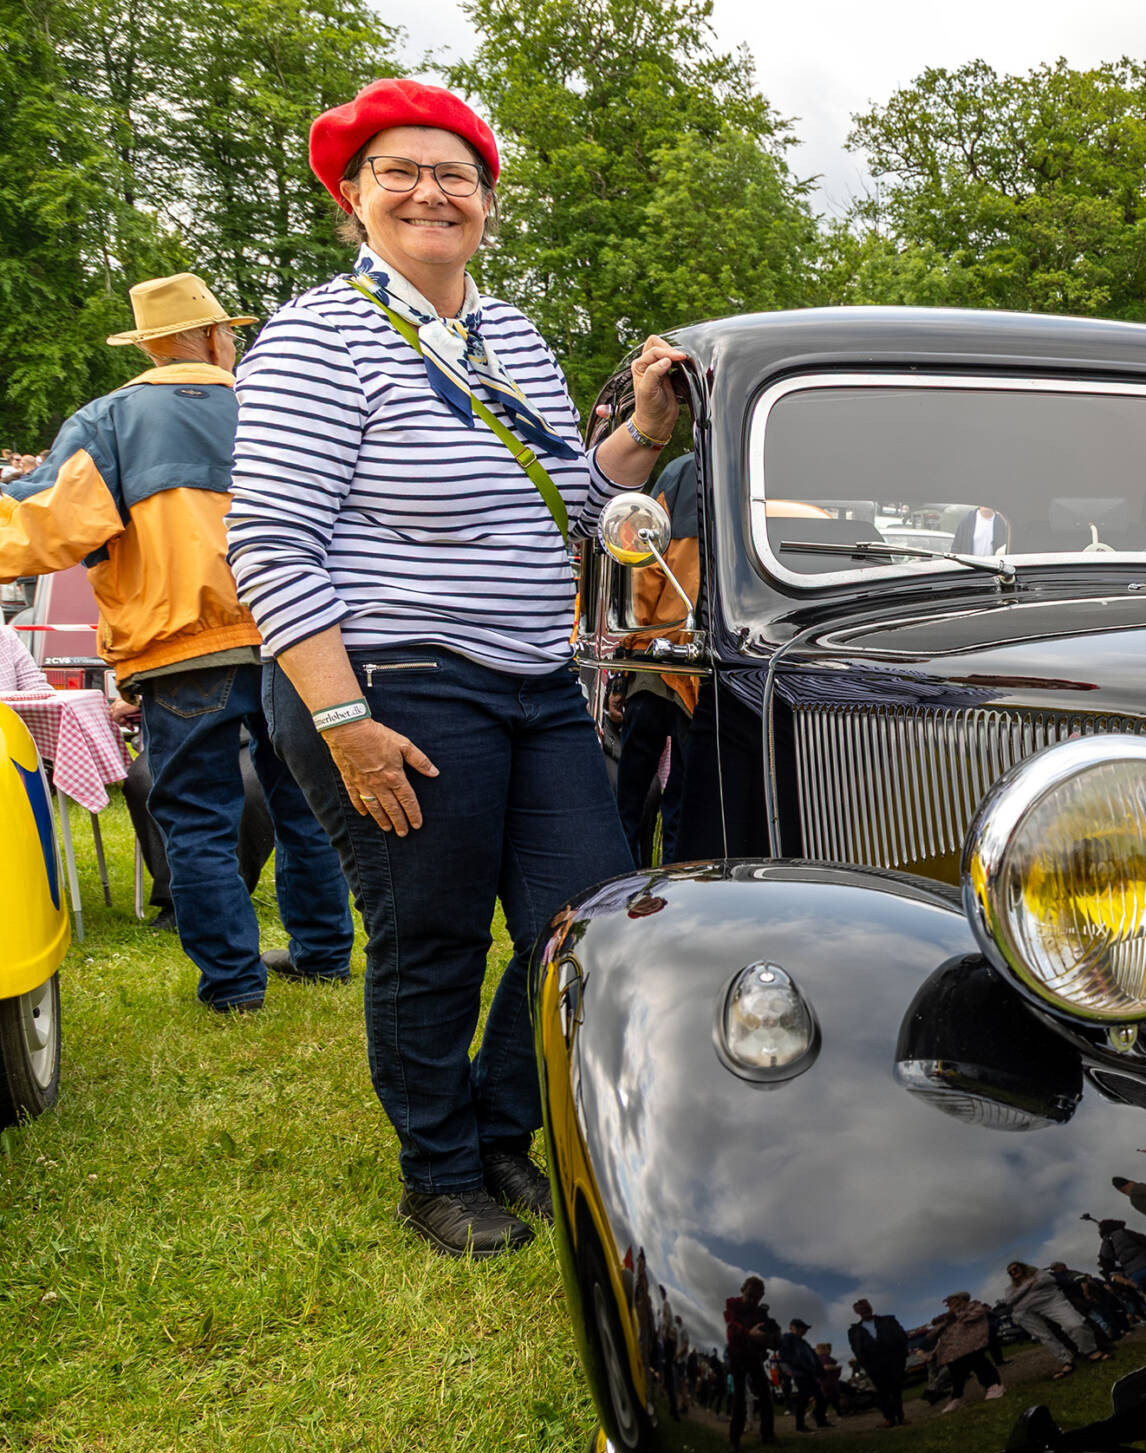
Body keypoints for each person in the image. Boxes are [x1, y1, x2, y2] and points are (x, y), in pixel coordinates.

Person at [228, 78, 685, 1257]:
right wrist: (341, 719)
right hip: (388, 678)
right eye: (400, 173)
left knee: (578, 919)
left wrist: (641, 427)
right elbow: (270, 544)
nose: (431, 192)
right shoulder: (319, 335)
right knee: (428, 932)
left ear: (485, 201)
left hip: (530, 683)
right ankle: (437, 1171)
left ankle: (498, 1131)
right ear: (351, 198)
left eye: (455, 175)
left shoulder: (512, 332)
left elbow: (573, 497)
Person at [0, 274, 352, 1013]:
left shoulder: (111, 419)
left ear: (149, 346)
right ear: (220, 337)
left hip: (179, 648)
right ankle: (324, 954)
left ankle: (233, 984)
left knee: (196, 816)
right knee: (306, 803)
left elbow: (43, 528)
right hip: (296, 635)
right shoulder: (272, 406)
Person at [610, 451, 699, 864]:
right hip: (709, 664)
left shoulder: (682, 472)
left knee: (629, 789)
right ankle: (676, 883)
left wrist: (624, 657)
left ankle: (623, 877)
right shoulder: (765, 469)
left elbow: (646, 571)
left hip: (655, 656)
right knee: (684, 795)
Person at [1003, 1259, 1108, 1376]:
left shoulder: (1038, 1274)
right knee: (1046, 1337)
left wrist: (1020, 1293)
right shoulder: (1010, 1288)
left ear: (1022, 1267)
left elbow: (1047, 1280)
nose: (1013, 1272)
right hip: (1025, 1311)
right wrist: (1029, 1285)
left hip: (1051, 1302)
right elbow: (1009, 1301)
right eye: (1010, 1272)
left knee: (1075, 1324)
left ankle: (1090, 1351)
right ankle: (1066, 1361)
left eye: (1015, 1269)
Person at [923, 1292, 1004, 1413]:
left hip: (972, 1343)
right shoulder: (947, 1316)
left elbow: (975, 1315)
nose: (948, 1305)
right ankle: (956, 1397)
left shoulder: (974, 1306)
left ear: (960, 1299)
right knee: (955, 1372)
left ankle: (994, 1386)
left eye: (950, 1301)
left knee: (979, 1363)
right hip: (952, 1348)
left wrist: (955, 1314)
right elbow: (932, 1333)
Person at [724, 1276, 779, 1450]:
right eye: (750, 1296)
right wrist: (749, 1334)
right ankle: (735, 1440)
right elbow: (732, 1329)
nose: (753, 1300)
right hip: (737, 1356)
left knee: (765, 1395)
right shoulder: (733, 1305)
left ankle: (767, 1435)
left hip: (754, 1356)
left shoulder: (760, 1312)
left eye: (757, 1297)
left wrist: (772, 1337)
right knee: (739, 1397)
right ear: (742, 1290)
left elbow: (770, 1329)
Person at [848, 1298, 909, 1427]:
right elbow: (857, 1350)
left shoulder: (889, 1320)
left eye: (866, 1307)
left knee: (896, 1390)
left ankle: (901, 1417)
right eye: (861, 1309)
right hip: (874, 1366)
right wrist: (866, 1366)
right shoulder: (853, 1331)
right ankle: (888, 1418)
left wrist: (902, 1357)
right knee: (882, 1392)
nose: (865, 1310)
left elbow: (902, 1337)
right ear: (857, 1312)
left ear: (871, 1307)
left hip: (894, 1362)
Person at [777, 1318, 830, 1430]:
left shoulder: (804, 1343)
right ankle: (800, 1425)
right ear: (793, 1327)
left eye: (805, 1329)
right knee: (804, 1399)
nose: (804, 1331)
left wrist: (820, 1371)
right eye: (802, 1328)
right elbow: (785, 1356)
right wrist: (797, 1366)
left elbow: (814, 1358)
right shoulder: (787, 1339)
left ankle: (820, 1420)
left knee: (821, 1398)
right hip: (800, 1374)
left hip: (809, 1374)